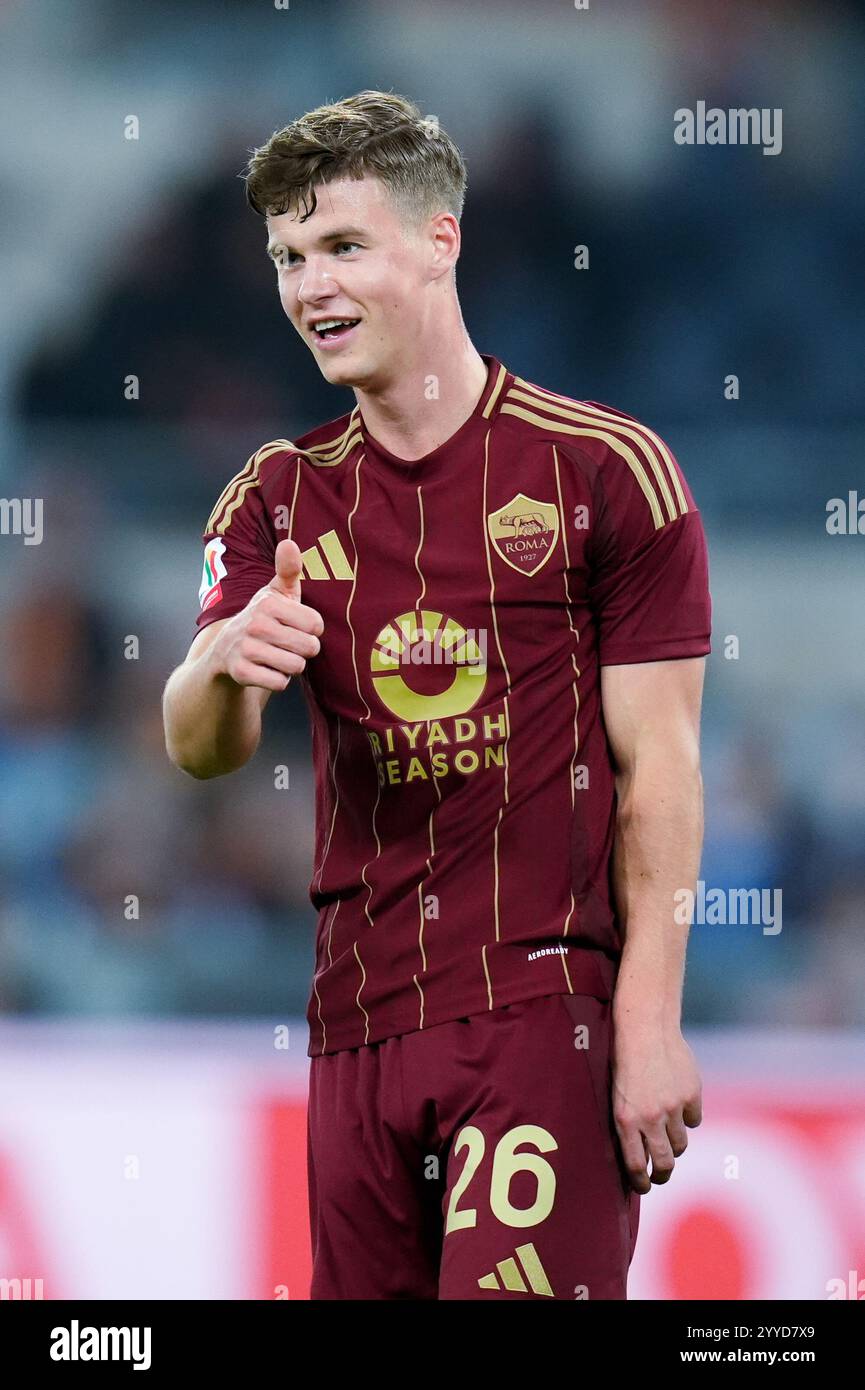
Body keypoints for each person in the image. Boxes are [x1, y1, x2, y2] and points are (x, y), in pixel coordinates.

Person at [162, 90, 710, 1301]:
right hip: (350, 1031)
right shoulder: (272, 496)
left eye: (343, 246)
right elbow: (199, 746)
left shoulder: (605, 472)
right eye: (289, 259)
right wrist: (219, 666)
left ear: (440, 239)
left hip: (537, 1013)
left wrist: (651, 1020)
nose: (310, 286)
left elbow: (662, 767)